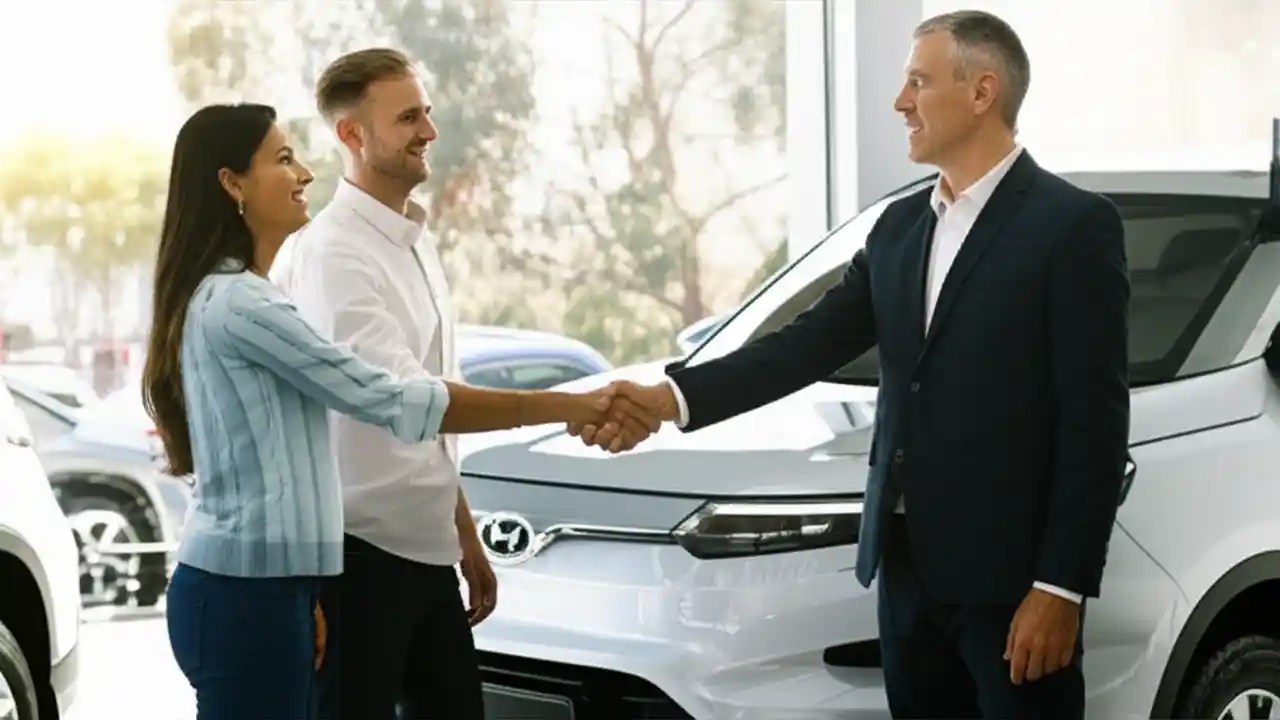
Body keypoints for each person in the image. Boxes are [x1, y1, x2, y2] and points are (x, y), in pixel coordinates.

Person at [576, 10, 1129, 719]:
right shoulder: (899, 228)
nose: (901, 102)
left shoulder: (1073, 226)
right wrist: (667, 397)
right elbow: (801, 346)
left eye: (918, 82)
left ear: (983, 92)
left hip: (1015, 587)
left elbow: (1096, 421)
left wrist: (1061, 588)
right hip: (906, 577)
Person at [142, 102, 655, 720]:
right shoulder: (244, 304)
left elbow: (273, 468)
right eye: (282, 159)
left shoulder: (241, 295)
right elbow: (387, 396)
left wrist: (304, 593)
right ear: (232, 184)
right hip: (245, 596)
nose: (305, 174)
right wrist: (565, 404)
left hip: (265, 589)